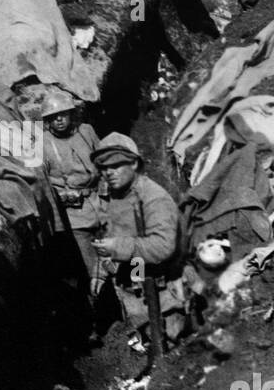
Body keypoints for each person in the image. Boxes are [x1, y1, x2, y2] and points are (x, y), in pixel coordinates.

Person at [91, 133, 185, 347]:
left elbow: (163, 247)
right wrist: (103, 267)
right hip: (137, 271)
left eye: (115, 166)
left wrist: (118, 248)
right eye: (104, 168)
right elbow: (114, 234)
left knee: (170, 334)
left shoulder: (153, 198)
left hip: (162, 277)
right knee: (141, 313)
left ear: (133, 163)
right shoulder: (119, 195)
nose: (108, 173)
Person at [38, 88, 101, 282]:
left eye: (63, 114)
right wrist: (61, 195)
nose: (59, 119)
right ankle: (103, 303)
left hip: (102, 205)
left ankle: (138, 284)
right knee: (94, 271)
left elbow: (105, 160)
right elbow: (42, 182)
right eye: (53, 116)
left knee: (130, 256)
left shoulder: (86, 132)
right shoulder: (43, 143)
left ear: (71, 114)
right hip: (74, 216)